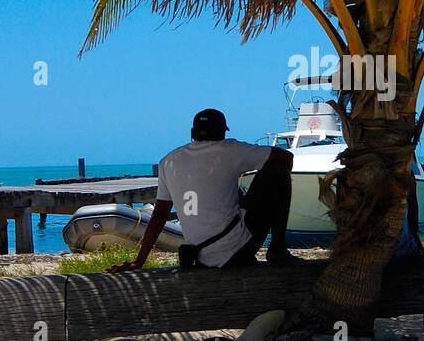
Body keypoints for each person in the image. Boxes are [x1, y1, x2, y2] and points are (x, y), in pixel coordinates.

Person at [108, 108, 298, 273]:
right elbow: (285, 157)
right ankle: (277, 249)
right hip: (237, 250)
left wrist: (139, 261)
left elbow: (159, 216)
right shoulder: (230, 150)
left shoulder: (168, 161)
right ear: (223, 133)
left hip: (201, 255)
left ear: (193, 132)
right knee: (277, 171)